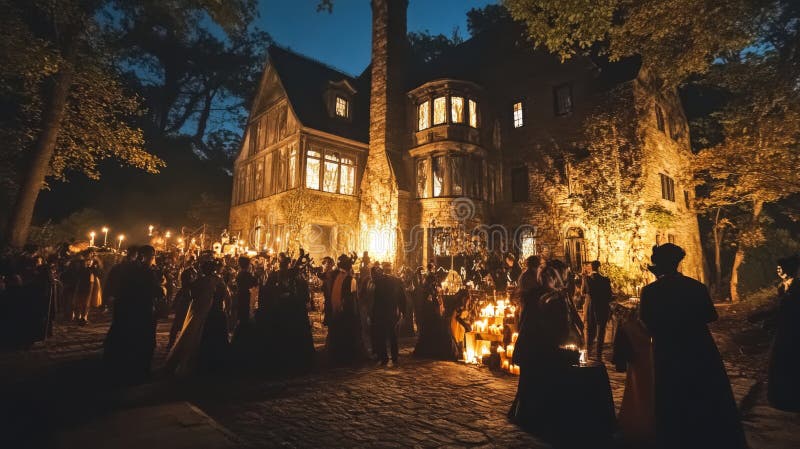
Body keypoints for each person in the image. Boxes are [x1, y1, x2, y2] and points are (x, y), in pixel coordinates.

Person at [639, 243, 746, 449]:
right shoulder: (696, 287)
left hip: (667, 350)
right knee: (701, 392)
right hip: (698, 347)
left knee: (672, 394)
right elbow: (711, 315)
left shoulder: (650, 292)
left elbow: (645, 321)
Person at [509, 261, 580, 444]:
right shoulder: (543, 298)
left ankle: (527, 416)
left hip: (537, 347)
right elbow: (549, 325)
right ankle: (528, 417)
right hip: (537, 347)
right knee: (531, 383)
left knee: (532, 383)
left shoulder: (545, 296)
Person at [103, 245, 160, 384]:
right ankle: (137, 370)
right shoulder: (145, 271)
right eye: (152, 256)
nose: (153, 259)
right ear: (143, 256)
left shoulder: (125, 269)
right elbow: (153, 290)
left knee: (123, 336)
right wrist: (161, 289)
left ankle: (117, 364)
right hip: (140, 310)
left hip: (125, 308)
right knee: (141, 340)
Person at [165, 259, 231, 377]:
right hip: (214, 312)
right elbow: (227, 296)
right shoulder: (218, 280)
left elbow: (192, 295)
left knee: (197, 334)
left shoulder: (201, 281)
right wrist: (226, 309)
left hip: (203, 311)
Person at [612, 306, 655, 448]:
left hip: (642, 362)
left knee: (638, 390)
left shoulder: (631, 327)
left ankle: (638, 420)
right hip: (644, 362)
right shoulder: (634, 328)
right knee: (641, 390)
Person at [768, 254, 800, 411]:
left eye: (780, 268)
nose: (778, 270)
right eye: (777, 268)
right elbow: (779, 308)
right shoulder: (782, 287)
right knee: (779, 361)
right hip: (783, 330)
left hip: (794, 330)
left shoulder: (797, 287)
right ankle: (780, 397)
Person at [324, 254, 366, 365]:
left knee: (337, 336)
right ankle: (347, 357)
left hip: (336, 312)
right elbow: (353, 297)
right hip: (347, 313)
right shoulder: (350, 279)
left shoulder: (335, 277)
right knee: (347, 336)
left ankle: (337, 357)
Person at [371, 262, 405, 366]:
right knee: (393, 335)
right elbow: (402, 298)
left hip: (381, 312)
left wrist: (373, 313)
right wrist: (403, 311)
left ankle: (384, 357)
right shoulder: (397, 281)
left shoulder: (378, 282)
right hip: (392, 311)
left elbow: (375, 299)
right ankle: (394, 357)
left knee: (381, 335)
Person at [584, 260, 614, 360]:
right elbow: (609, 295)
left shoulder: (588, 279)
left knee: (590, 331)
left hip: (592, 307)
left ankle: (588, 353)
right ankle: (598, 355)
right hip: (602, 307)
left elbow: (584, 292)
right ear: (599, 267)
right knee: (601, 332)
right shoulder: (605, 280)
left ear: (591, 267)